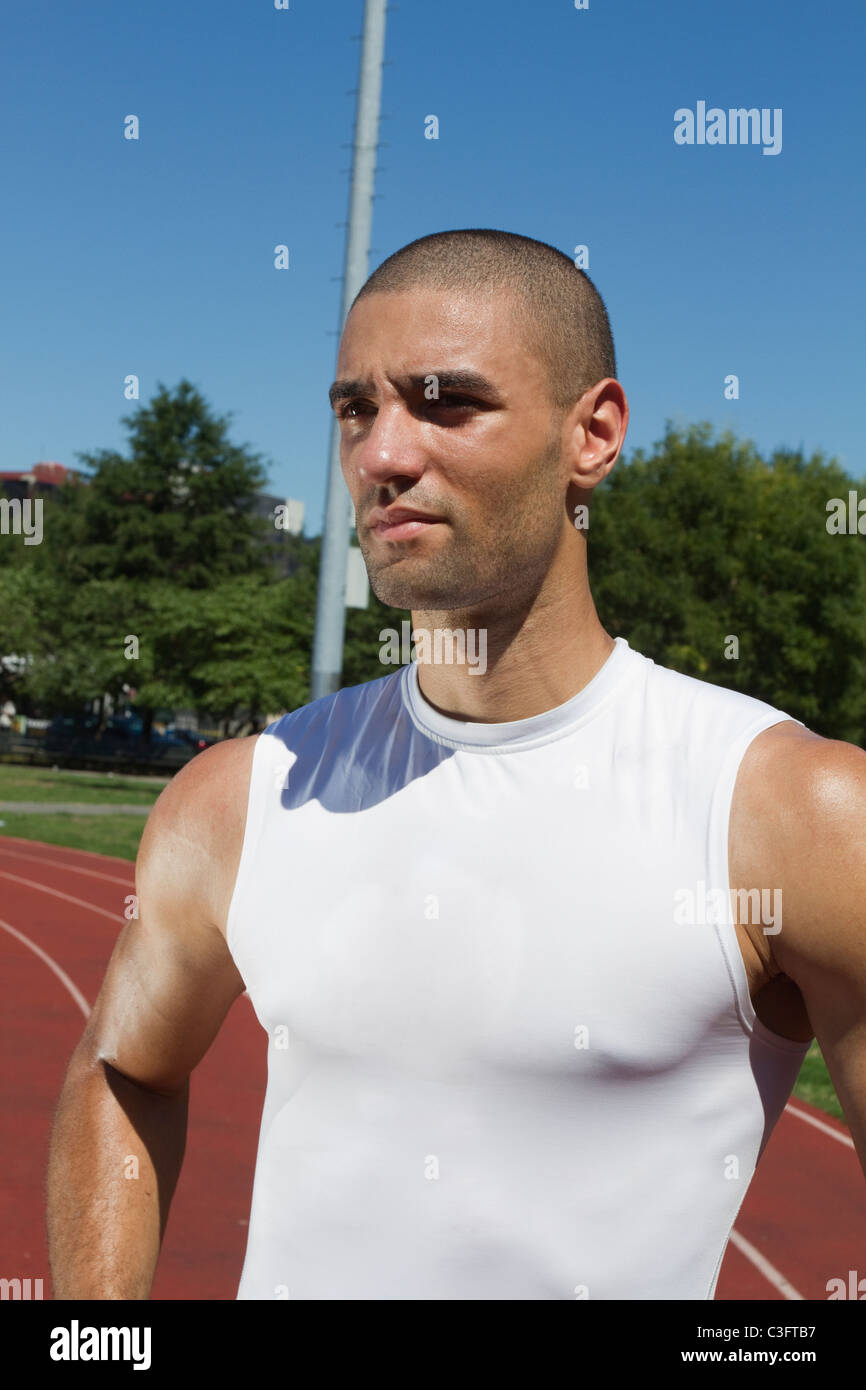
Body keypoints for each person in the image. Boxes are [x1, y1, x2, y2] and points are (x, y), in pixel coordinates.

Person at [47, 229, 866, 1300]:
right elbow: (120, 1070)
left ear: (593, 433)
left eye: (445, 403)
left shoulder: (787, 812)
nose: (382, 455)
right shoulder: (240, 796)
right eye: (356, 409)